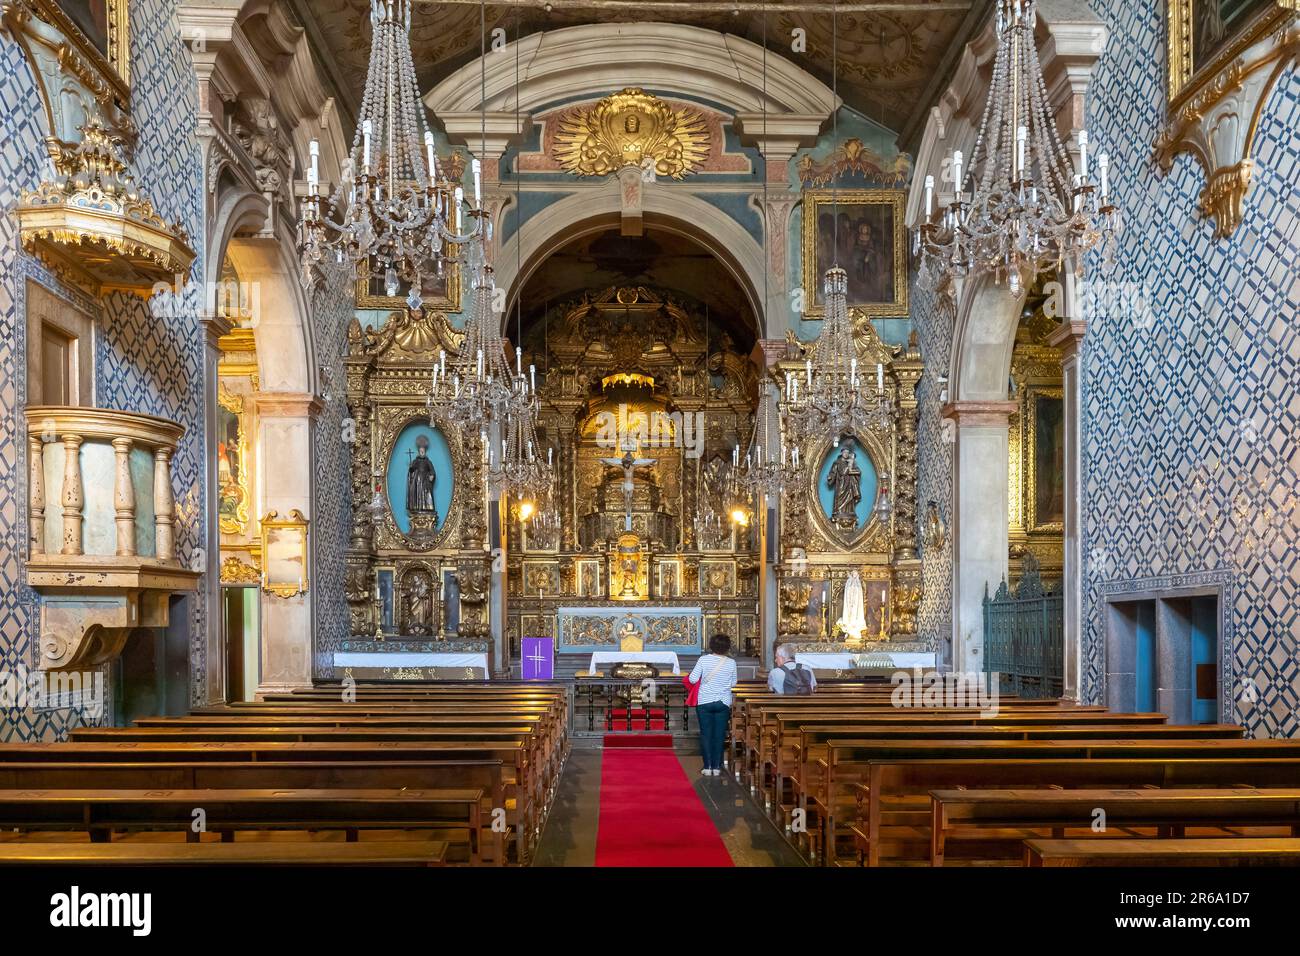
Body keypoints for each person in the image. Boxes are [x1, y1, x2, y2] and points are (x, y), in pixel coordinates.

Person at [687, 633, 738, 777]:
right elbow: (734, 683)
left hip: (705, 702)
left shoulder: (704, 660)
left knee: (706, 734)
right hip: (723, 702)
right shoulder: (731, 663)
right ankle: (716, 767)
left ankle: (707, 766)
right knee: (719, 735)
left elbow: (692, 679)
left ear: (711, 646)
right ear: (728, 647)